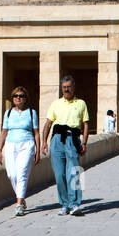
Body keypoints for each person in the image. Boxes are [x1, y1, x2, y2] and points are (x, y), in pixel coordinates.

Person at [40, 74, 90, 216]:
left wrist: (84, 142)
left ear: (73, 88)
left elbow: (85, 124)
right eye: (64, 88)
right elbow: (48, 123)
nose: (66, 90)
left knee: (74, 171)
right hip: (57, 139)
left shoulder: (81, 103)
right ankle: (64, 204)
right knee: (59, 174)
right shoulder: (56, 103)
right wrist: (44, 141)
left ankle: (74, 204)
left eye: (68, 87)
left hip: (73, 138)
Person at [0, 86, 40, 217]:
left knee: (22, 174)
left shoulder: (32, 112)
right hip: (10, 144)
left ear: (25, 99)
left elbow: (36, 133)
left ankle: (19, 203)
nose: (18, 98)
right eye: (15, 96)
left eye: (21, 96)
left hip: (27, 143)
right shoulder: (8, 113)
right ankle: (21, 197)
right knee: (12, 175)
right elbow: (4, 131)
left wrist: (37, 150)